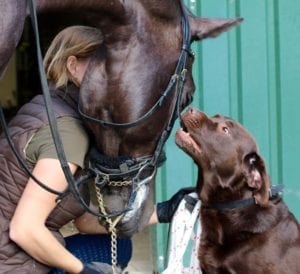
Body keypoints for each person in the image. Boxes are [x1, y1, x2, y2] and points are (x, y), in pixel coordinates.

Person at [0, 25, 194, 274]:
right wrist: (82, 270)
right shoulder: (68, 132)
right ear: (73, 66)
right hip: (11, 264)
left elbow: (84, 220)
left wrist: (164, 211)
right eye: (103, 67)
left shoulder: (46, 107)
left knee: (119, 245)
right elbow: (24, 229)